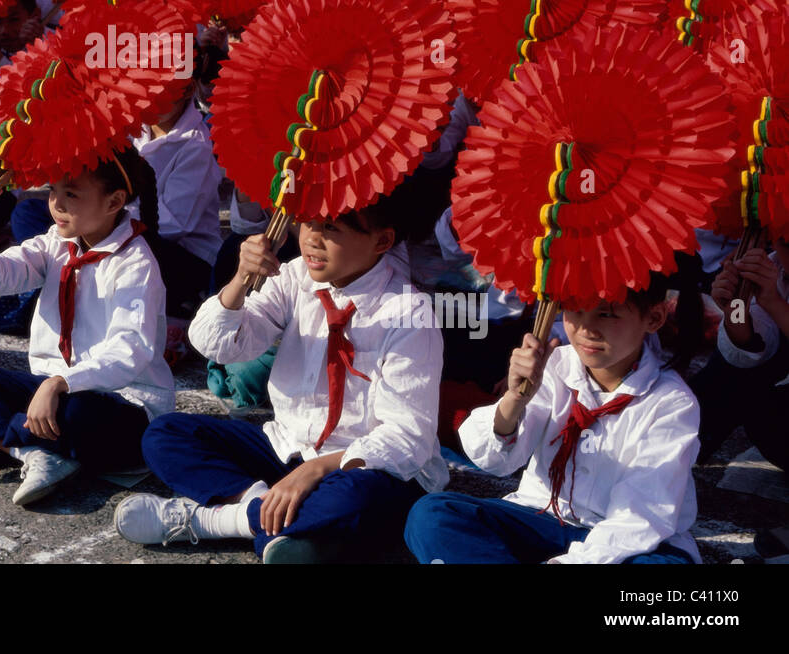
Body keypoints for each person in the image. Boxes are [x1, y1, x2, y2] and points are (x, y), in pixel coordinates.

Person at [115, 193, 447, 563]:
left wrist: (315, 470)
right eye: (308, 223)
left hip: (361, 467)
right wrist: (241, 279)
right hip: (289, 447)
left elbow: (407, 436)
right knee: (166, 434)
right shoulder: (294, 277)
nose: (312, 239)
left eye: (331, 228)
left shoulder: (409, 312)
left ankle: (214, 520)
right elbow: (219, 345)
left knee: (358, 498)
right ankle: (277, 518)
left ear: (382, 241)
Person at [0, 147, 174, 508]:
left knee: (77, 413)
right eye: (53, 190)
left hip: (121, 404)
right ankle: (28, 448)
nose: (56, 203)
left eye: (71, 194)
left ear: (114, 202)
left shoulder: (136, 263)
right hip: (48, 395)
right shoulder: (55, 242)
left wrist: (61, 382)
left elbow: (129, 352)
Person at [403, 276, 701, 564]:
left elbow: (641, 516)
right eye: (574, 310)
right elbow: (496, 462)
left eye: (607, 314)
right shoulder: (553, 365)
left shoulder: (672, 403)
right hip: (540, 517)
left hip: (626, 541)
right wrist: (514, 398)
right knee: (432, 515)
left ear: (654, 318)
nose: (586, 329)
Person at [691, 239, 789, 472]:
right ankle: (673, 454)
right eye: (787, 243)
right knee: (727, 375)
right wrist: (735, 306)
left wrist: (774, 303)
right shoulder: (774, 268)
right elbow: (745, 354)